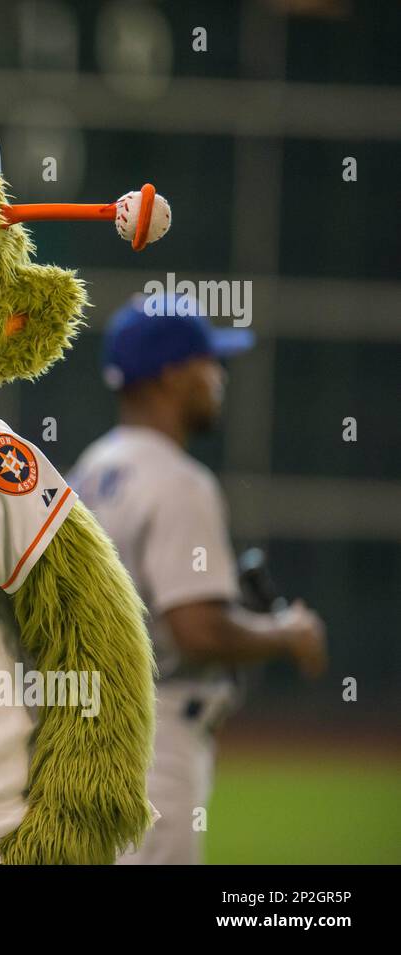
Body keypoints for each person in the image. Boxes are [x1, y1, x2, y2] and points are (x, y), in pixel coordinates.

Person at [69, 293, 328, 865]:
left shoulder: (91, 468)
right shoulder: (179, 481)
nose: (218, 377)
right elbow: (198, 629)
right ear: (170, 375)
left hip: (88, 731)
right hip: (157, 739)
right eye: (208, 363)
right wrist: (286, 632)